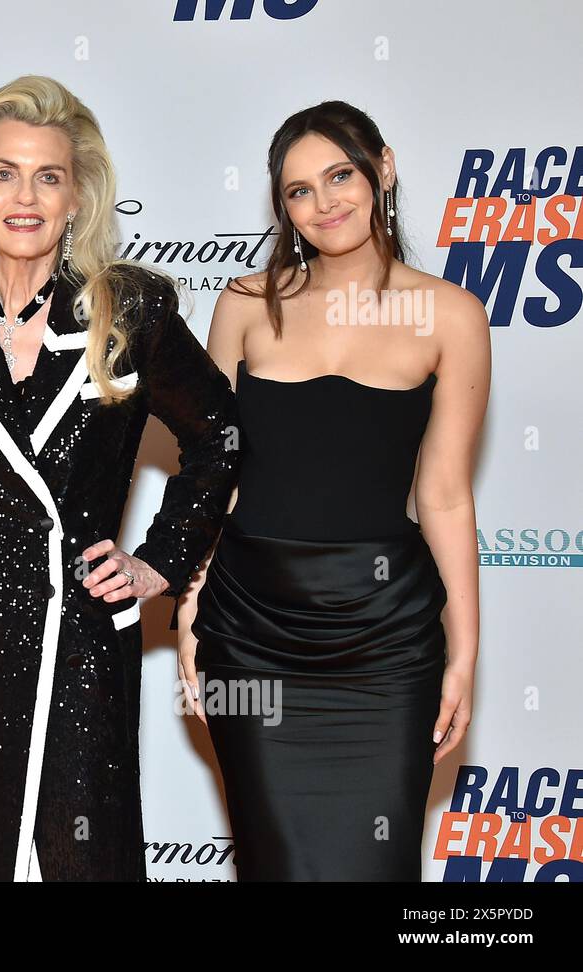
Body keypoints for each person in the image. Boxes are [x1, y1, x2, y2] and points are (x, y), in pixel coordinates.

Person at [0, 75, 240, 881]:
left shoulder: (129, 311)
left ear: (76, 199)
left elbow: (223, 436)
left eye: (48, 176)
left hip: (80, 654)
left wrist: (159, 561)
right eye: (4, 173)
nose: (25, 197)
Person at [178, 100, 490, 881]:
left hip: (387, 640)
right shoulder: (246, 306)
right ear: (282, 207)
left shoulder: (452, 316)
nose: (325, 203)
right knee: (278, 863)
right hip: (250, 629)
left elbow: (446, 496)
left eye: (340, 175)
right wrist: (190, 606)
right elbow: (212, 478)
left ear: (383, 168)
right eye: (299, 191)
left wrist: (465, 655)